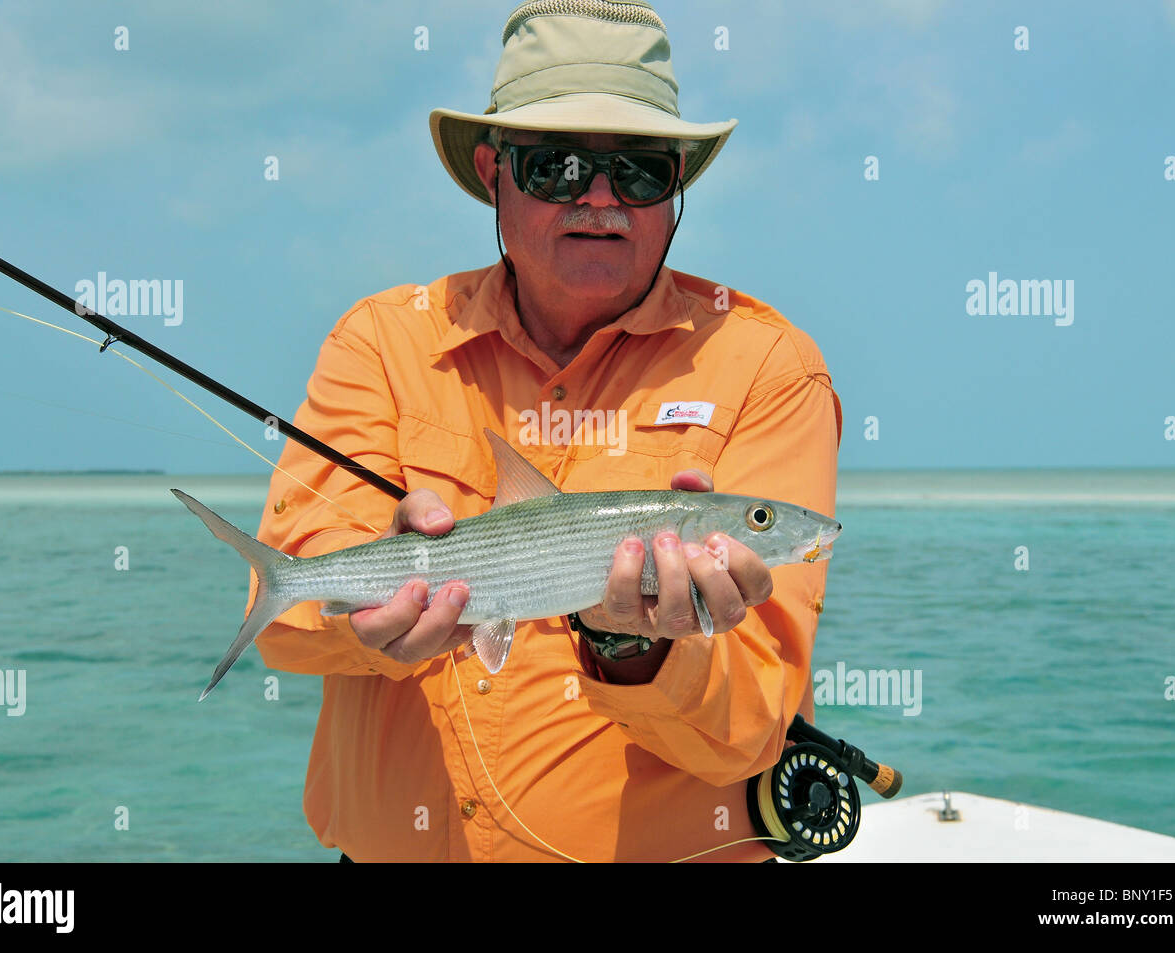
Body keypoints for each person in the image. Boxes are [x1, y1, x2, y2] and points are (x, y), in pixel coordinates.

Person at [246, 0, 841, 862]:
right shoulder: (381, 340)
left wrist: (635, 644)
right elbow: (286, 625)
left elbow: (751, 726)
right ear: (493, 171)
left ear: (678, 183)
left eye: (637, 173)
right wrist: (366, 609)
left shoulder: (767, 366)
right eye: (558, 167)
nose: (599, 200)